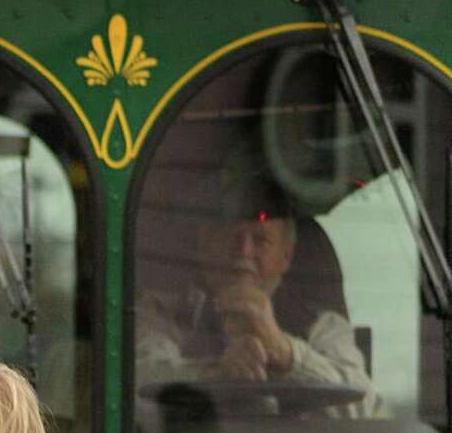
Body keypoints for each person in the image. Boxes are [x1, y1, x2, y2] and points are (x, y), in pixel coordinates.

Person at [137, 176, 384, 419]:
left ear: (286, 257)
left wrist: (284, 352)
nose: (244, 251)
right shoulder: (159, 313)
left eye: (260, 239)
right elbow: (129, 387)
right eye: (231, 236)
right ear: (204, 247)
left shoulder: (324, 326)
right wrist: (213, 374)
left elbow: (361, 408)